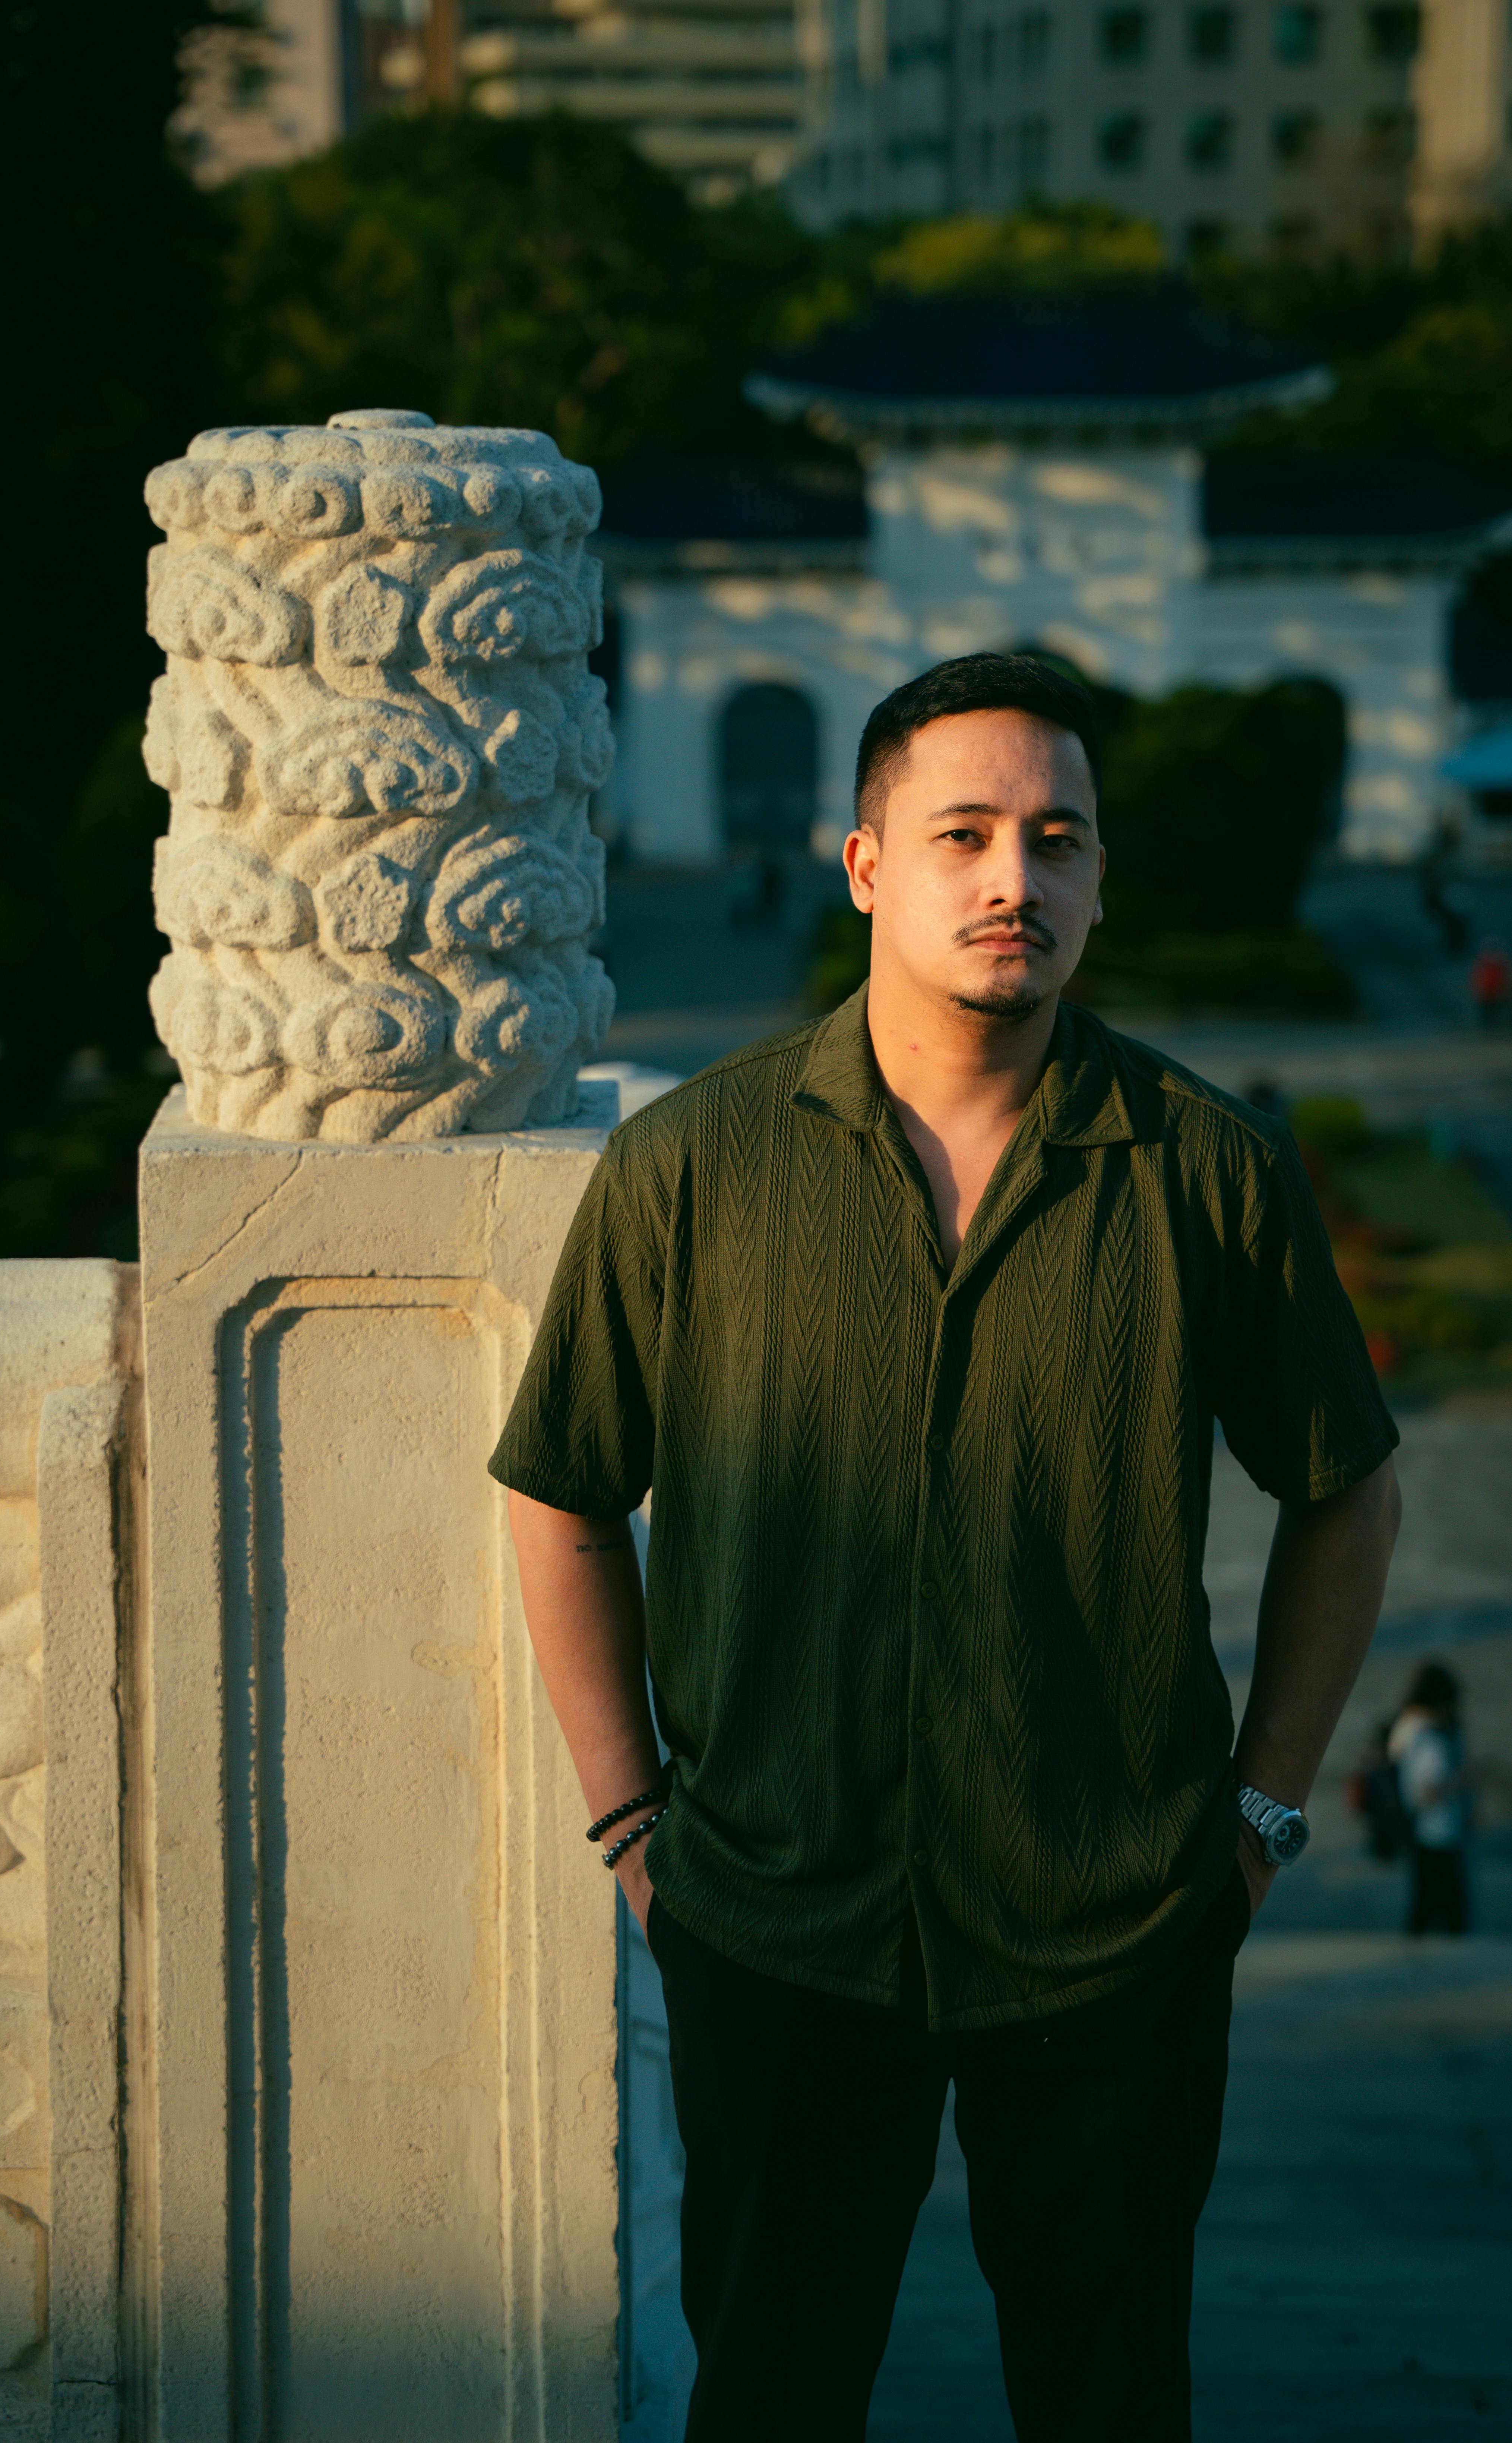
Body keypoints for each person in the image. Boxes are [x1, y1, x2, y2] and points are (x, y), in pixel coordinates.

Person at [490, 653, 1403, 2443]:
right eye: (964, 835)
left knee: (1109, 2394)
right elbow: (561, 1488)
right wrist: (631, 1824)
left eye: (1057, 842)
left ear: (1097, 882)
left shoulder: (1203, 1168)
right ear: (863, 865)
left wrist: (1262, 1814)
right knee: (769, 2393)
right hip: (773, 1915)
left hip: (1116, 1923)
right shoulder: (695, 1165)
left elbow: (1346, 1487)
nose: (1014, 882)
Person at [1388, 1661, 1472, 1934]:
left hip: (1425, 1829)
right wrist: (1465, 1781)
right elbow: (1429, 1790)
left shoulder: (1408, 1727)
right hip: (1435, 1830)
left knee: (1428, 1902)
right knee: (1444, 1908)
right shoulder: (1426, 1736)